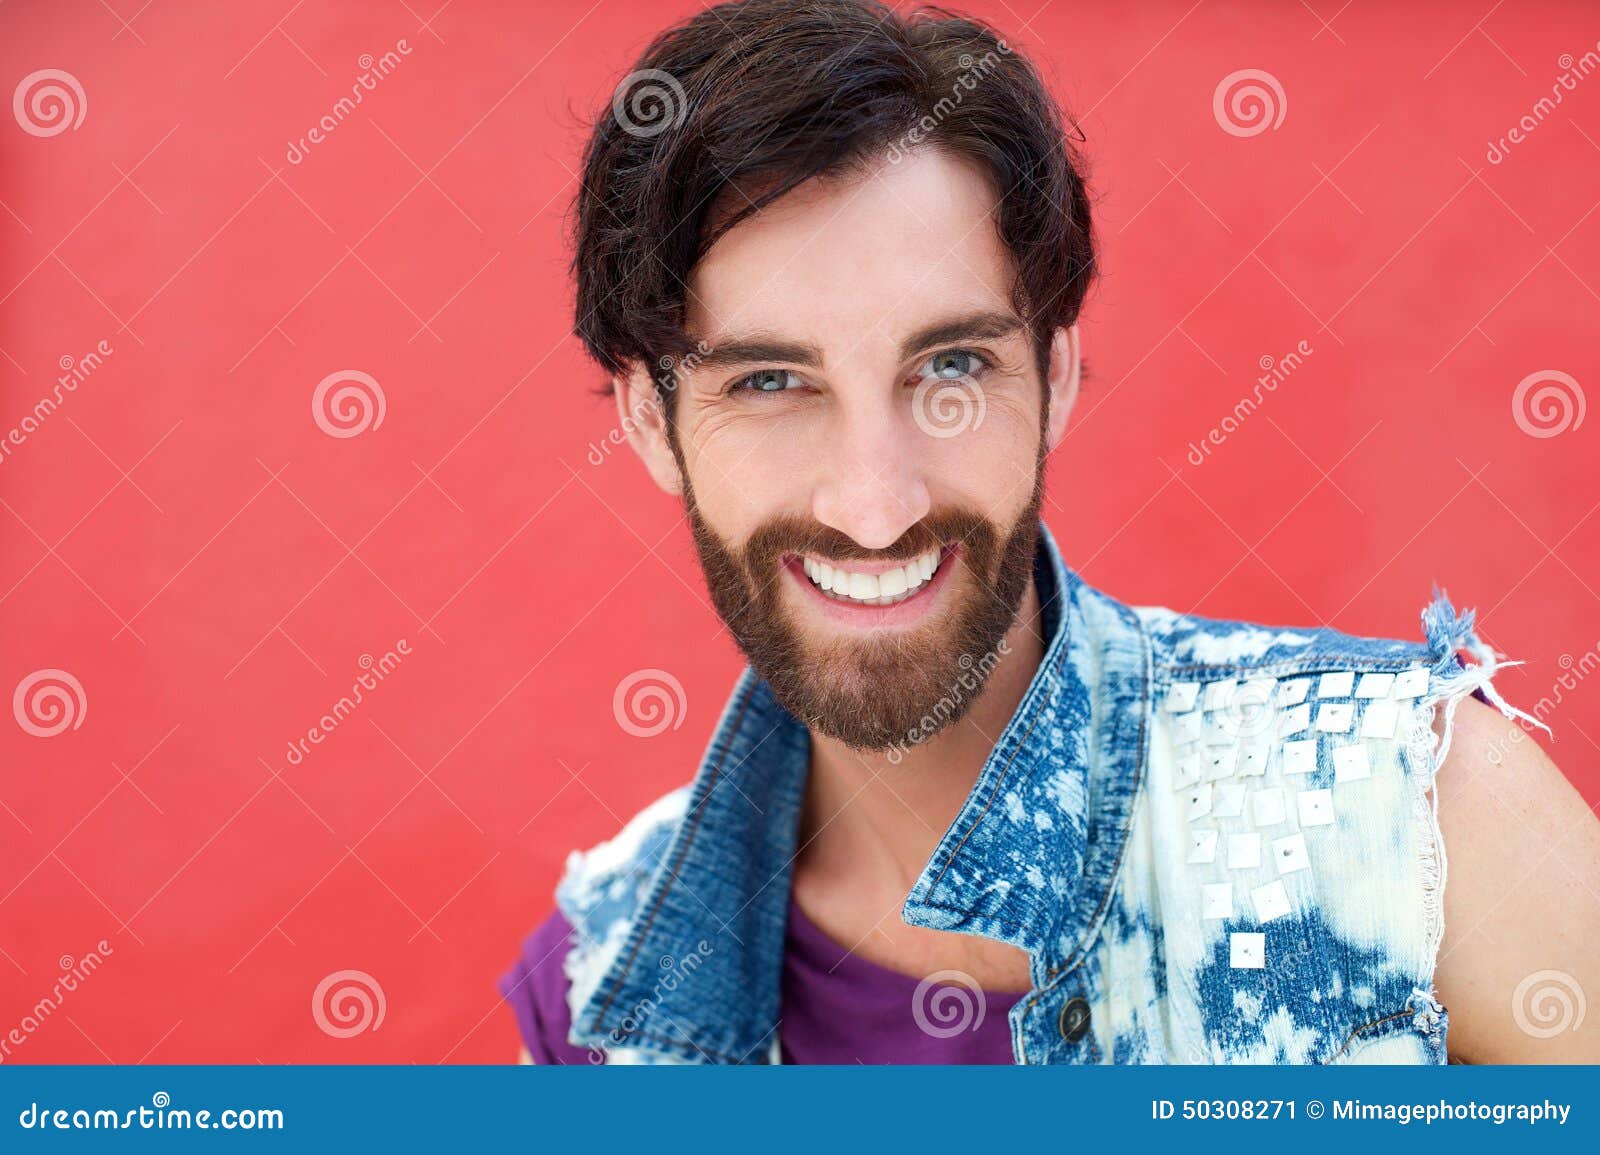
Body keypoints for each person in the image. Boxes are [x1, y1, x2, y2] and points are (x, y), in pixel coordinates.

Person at [501, 0, 1599, 1064]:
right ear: (651, 419)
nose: (874, 504)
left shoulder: (1412, 811)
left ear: (1056, 378)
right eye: (772, 381)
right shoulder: (600, 990)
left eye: (951, 368)